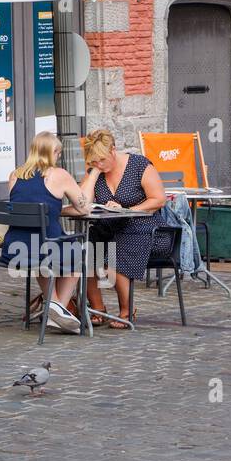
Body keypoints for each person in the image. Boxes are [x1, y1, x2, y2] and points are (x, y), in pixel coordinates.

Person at [0, 132, 90, 335]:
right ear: (53, 152)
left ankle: (55, 307)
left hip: (16, 250)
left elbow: (28, 206)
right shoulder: (58, 174)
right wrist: (62, 209)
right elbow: (84, 208)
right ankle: (58, 310)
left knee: (41, 254)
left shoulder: (15, 175)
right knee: (80, 255)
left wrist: (55, 210)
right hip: (45, 248)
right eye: (58, 153)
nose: (59, 157)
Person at [80, 129, 169, 330]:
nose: (99, 164)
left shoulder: (139, 165)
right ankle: (97, 308)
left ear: (113, 150)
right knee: (84, 249)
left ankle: (127, 311)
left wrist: (127, 210)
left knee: (116, 253)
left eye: (102, 159)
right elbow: (83, 203)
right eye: (94, 161)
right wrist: (94, 172)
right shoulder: (97, 169)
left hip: (144, 226)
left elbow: (158, 199)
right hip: (109, 226)